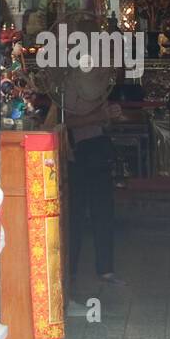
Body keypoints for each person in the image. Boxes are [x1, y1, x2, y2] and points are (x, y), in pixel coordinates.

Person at [61, 53, 124, 296]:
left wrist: (109, 116)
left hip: (98, 150)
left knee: (104, 211)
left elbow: (103, 122)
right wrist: (100, 116)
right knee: (75, 214)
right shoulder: (69, 84)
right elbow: (66, 122)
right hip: (77, 154)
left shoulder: (98, 85)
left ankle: (106, 269)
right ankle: (71, 271)